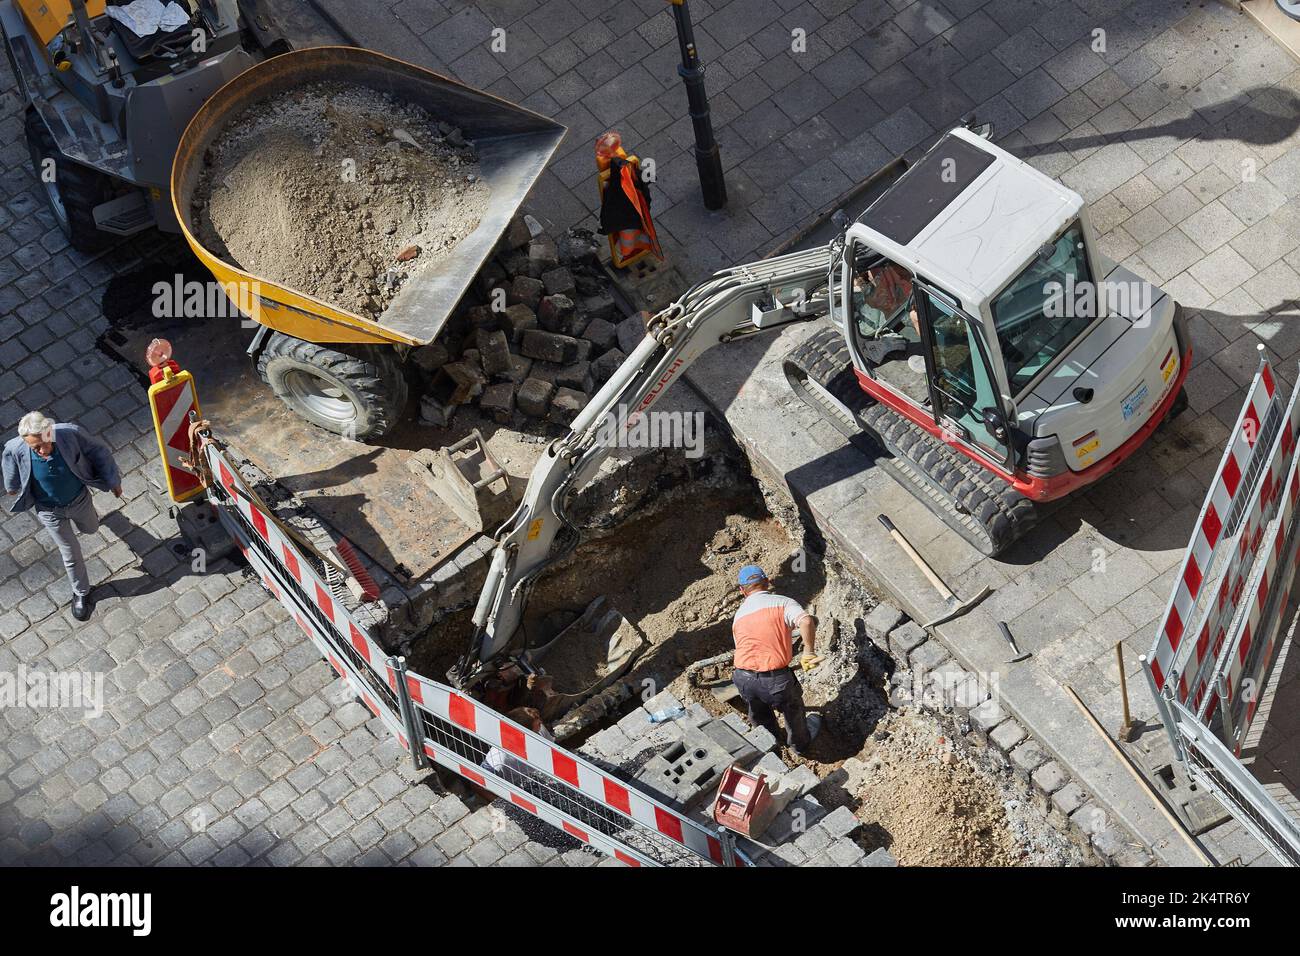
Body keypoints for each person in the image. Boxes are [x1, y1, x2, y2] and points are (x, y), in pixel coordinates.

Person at [3, 412, 122, 621]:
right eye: (34, 448)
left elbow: (99, 452)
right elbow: (10, 468)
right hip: (49, 511)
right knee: (70, 553)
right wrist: (12, 486)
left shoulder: (70, 434)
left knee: (91, 528)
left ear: (49, 432)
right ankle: (81, 592)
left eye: (42, 445)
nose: (40, 452)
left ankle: (98, 520)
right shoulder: (15, 448)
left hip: (79, 500)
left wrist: (113, 481)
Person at [730, 565, 823, 757]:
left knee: (758, 713)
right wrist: (808, 652)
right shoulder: (781, 602)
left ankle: (770, 746)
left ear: (742, 590)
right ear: (767, 581)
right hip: (776, 681)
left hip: (743, 678)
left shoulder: (738, 616)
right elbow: (806, 621)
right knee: (793, 711)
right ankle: (800, 745)